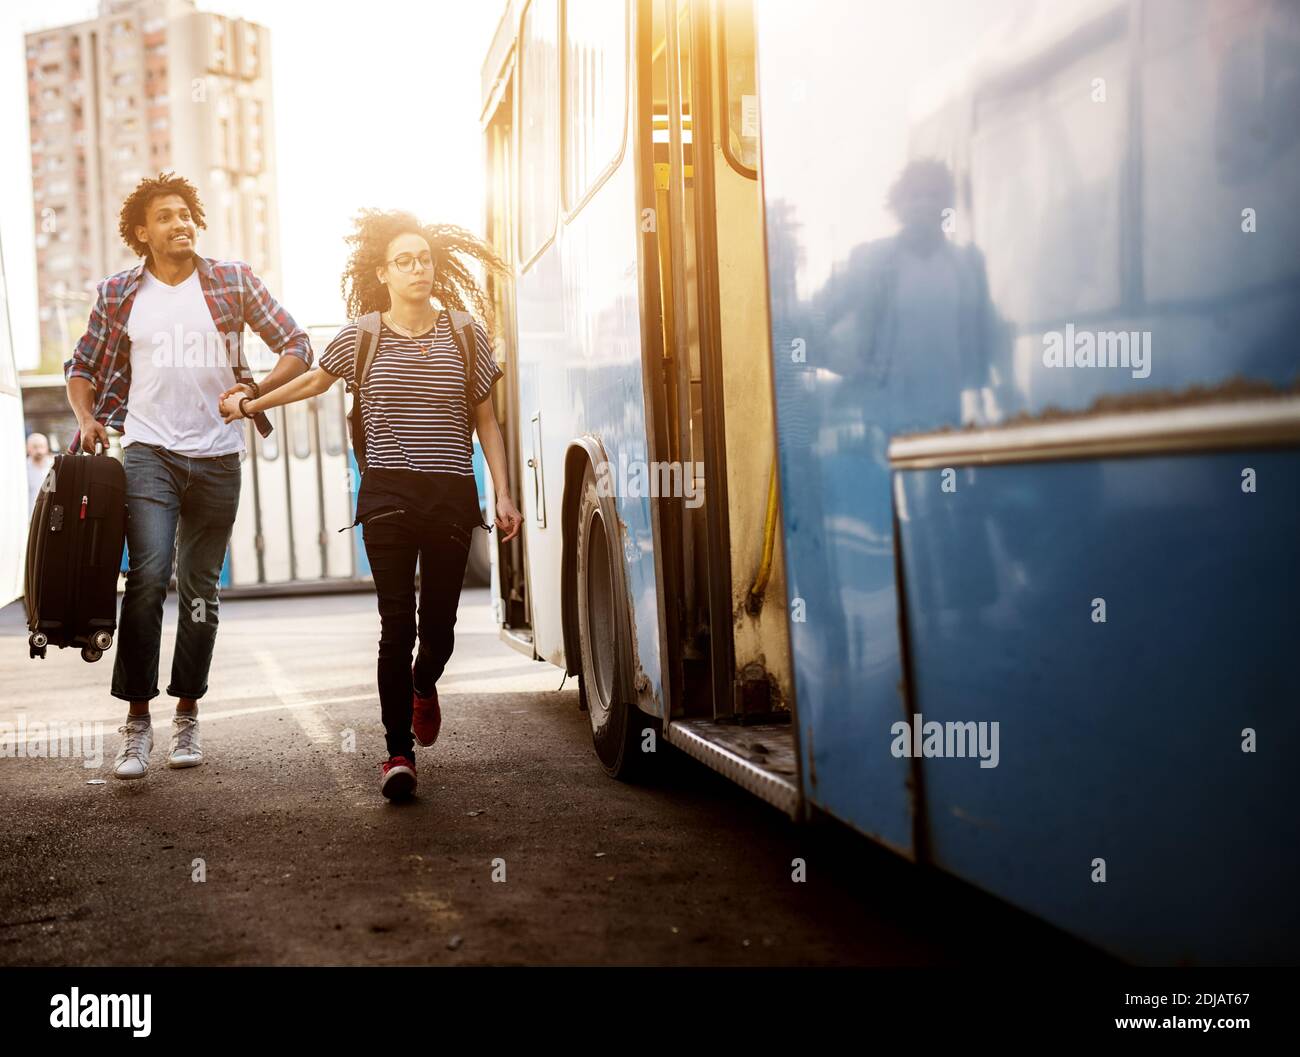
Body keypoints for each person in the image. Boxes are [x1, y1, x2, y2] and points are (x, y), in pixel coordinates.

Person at [221, 209, 523, 800]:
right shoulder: (362, 334)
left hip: (451, 493)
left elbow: (486, 417)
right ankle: (396, 753)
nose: (418, 268)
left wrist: (504, 493)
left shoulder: (465, 332)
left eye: (425, 259)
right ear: (383, 273)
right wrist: (252, 405)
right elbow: (312, 382)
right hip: (386, 490)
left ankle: (423, 681)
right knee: (396, 622)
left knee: (440, 625)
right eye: (404, 260)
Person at [65, 171, 312, 780]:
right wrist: (88, 417)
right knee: (147, 577)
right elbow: (82, 366)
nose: (181, 223)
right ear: (142, 232)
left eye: (186, 214)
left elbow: (297, 344)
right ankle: (137, 722)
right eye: (166, 216)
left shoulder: (231, 279)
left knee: (200, 590)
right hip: (148, 452)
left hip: (218, 455)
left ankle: (188, 712)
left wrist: (255, 391)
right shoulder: (120, 293)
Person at [25, 431, 54, 516]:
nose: (39, 451)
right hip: (28, 517)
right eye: (35, 447)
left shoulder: (54, 466)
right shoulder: (22, 469)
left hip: (48, 516)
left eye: (42, 446)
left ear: (47, 447)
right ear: (27, 448)